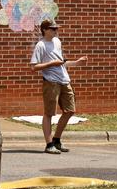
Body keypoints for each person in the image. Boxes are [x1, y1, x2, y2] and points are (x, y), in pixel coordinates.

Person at [29, 19, 86, 154]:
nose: (56, 31)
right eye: (53, 29)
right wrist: (50, 64)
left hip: (64, 80)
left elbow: (61, 63)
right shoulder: (41, 45)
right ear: (45, 30)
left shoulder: (57, 42)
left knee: (70, 111)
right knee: (49, 113)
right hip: (51, 82)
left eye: (57, 29)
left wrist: (76, 63)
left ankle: (56, 140)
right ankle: (49, 144)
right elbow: (34, 67)